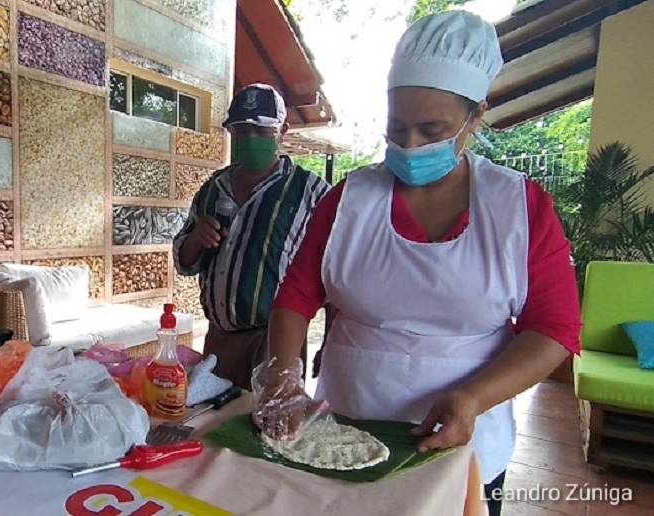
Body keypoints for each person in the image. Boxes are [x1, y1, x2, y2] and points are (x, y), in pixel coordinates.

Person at [254, 11, 582, 516]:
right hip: (345, 425)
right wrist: (282, 374)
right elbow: (296, 296)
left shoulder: (519, 208)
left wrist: (472, 397)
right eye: (397, 128)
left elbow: (554, 329)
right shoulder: (350, 200)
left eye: (432, 130)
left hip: (461, 444)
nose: (409, 146)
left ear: (475, 117)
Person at [173, 83, 331, 390]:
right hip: (219, 339)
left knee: (266, 430)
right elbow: (185, 262)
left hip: (277, 343)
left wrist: (329, 342)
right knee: (215, 423)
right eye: (242, 131)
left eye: (262, 131)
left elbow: (334, 274)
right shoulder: (212, 189)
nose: (250, 139)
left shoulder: (311, 193)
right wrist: (194, 241)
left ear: (282, 130)